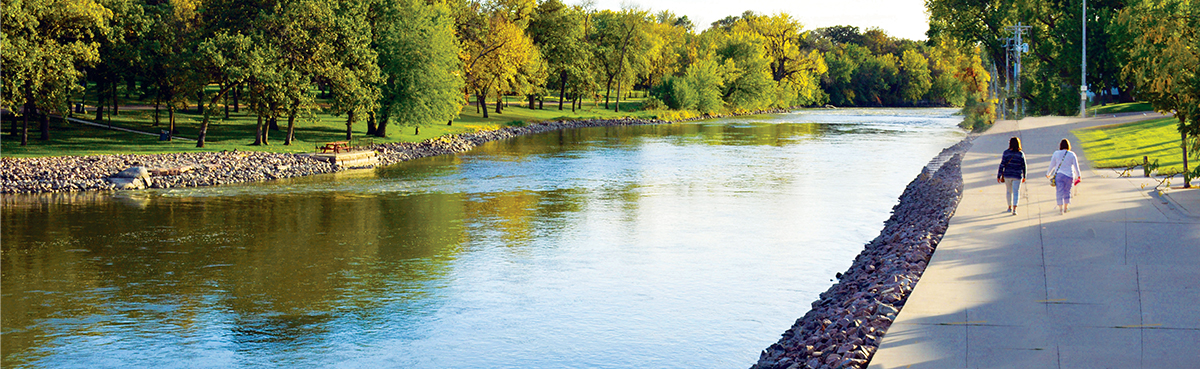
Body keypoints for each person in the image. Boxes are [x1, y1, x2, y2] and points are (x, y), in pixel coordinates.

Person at [1045, 138, 1082, 214]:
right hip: (1069, 175)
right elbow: (1076, 166)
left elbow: (1052, 164)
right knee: (1067, 191)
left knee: (1059, 192)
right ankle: (1066, 207)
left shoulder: (1056, 153)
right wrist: (1079, 175)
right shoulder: (1072, 154)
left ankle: (1060, 209)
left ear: (1060, 146)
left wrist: (1048, 173)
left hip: (1059, 175)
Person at [997, 137, 1027, 215]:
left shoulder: (1006, 153)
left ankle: (1009, 207)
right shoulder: (1020, 154)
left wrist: (999, 175)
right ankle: (1015, 209)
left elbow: (1002, 164)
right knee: (1016, 192)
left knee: (1008, 191)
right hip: (1017, 175)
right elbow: (1024, 165)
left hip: (1007, 175)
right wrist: (1024, 175)